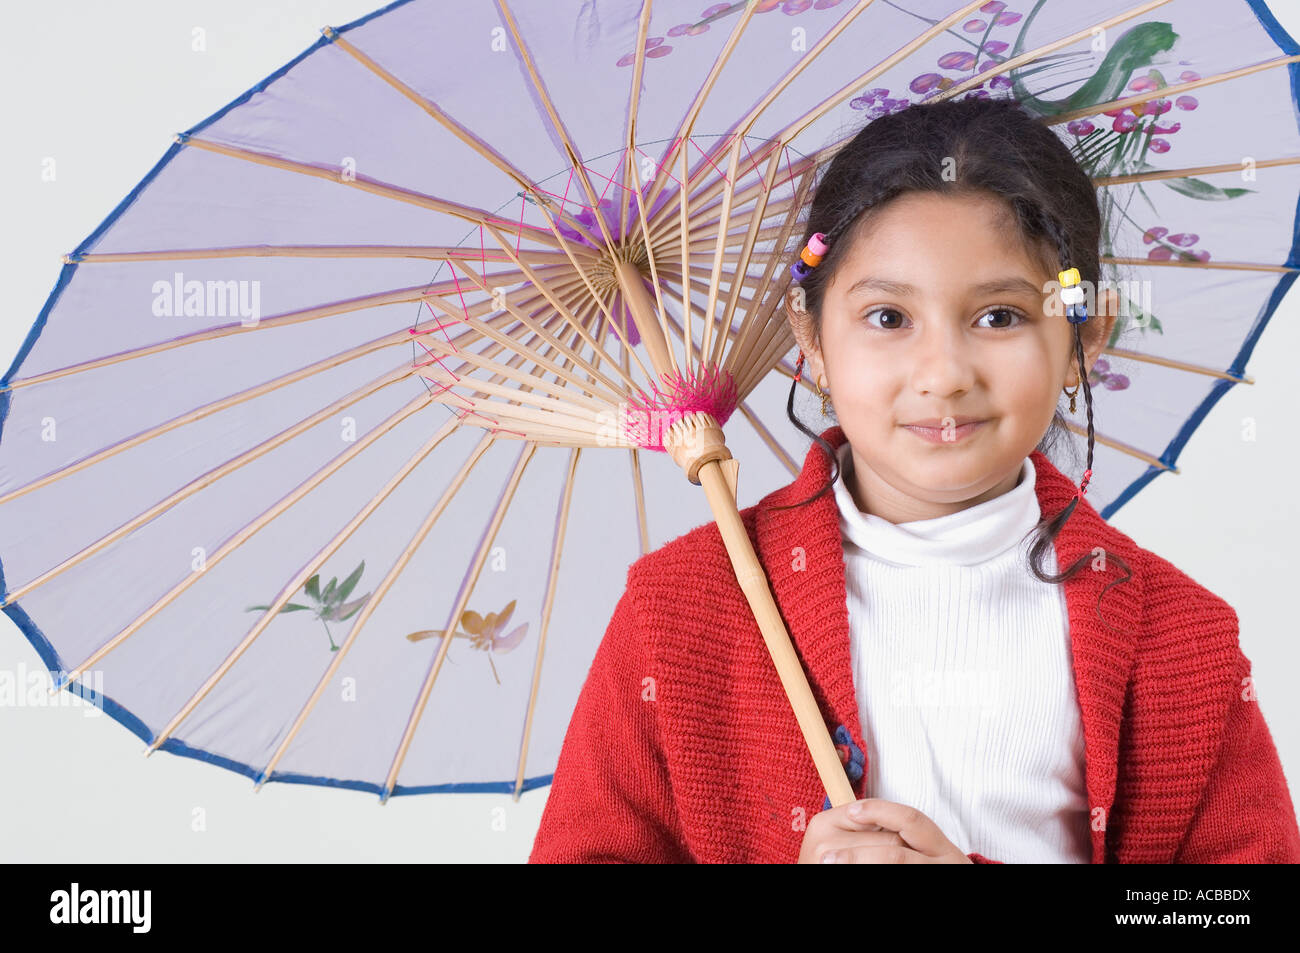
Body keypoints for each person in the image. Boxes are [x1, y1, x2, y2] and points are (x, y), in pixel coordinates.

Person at [527, 96, 1300, 863]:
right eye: (889, 318)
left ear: (1083, 339)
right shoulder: (684, 608)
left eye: (1000, 316)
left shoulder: (1179, 640)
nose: (943, 374)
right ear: (812, 341)